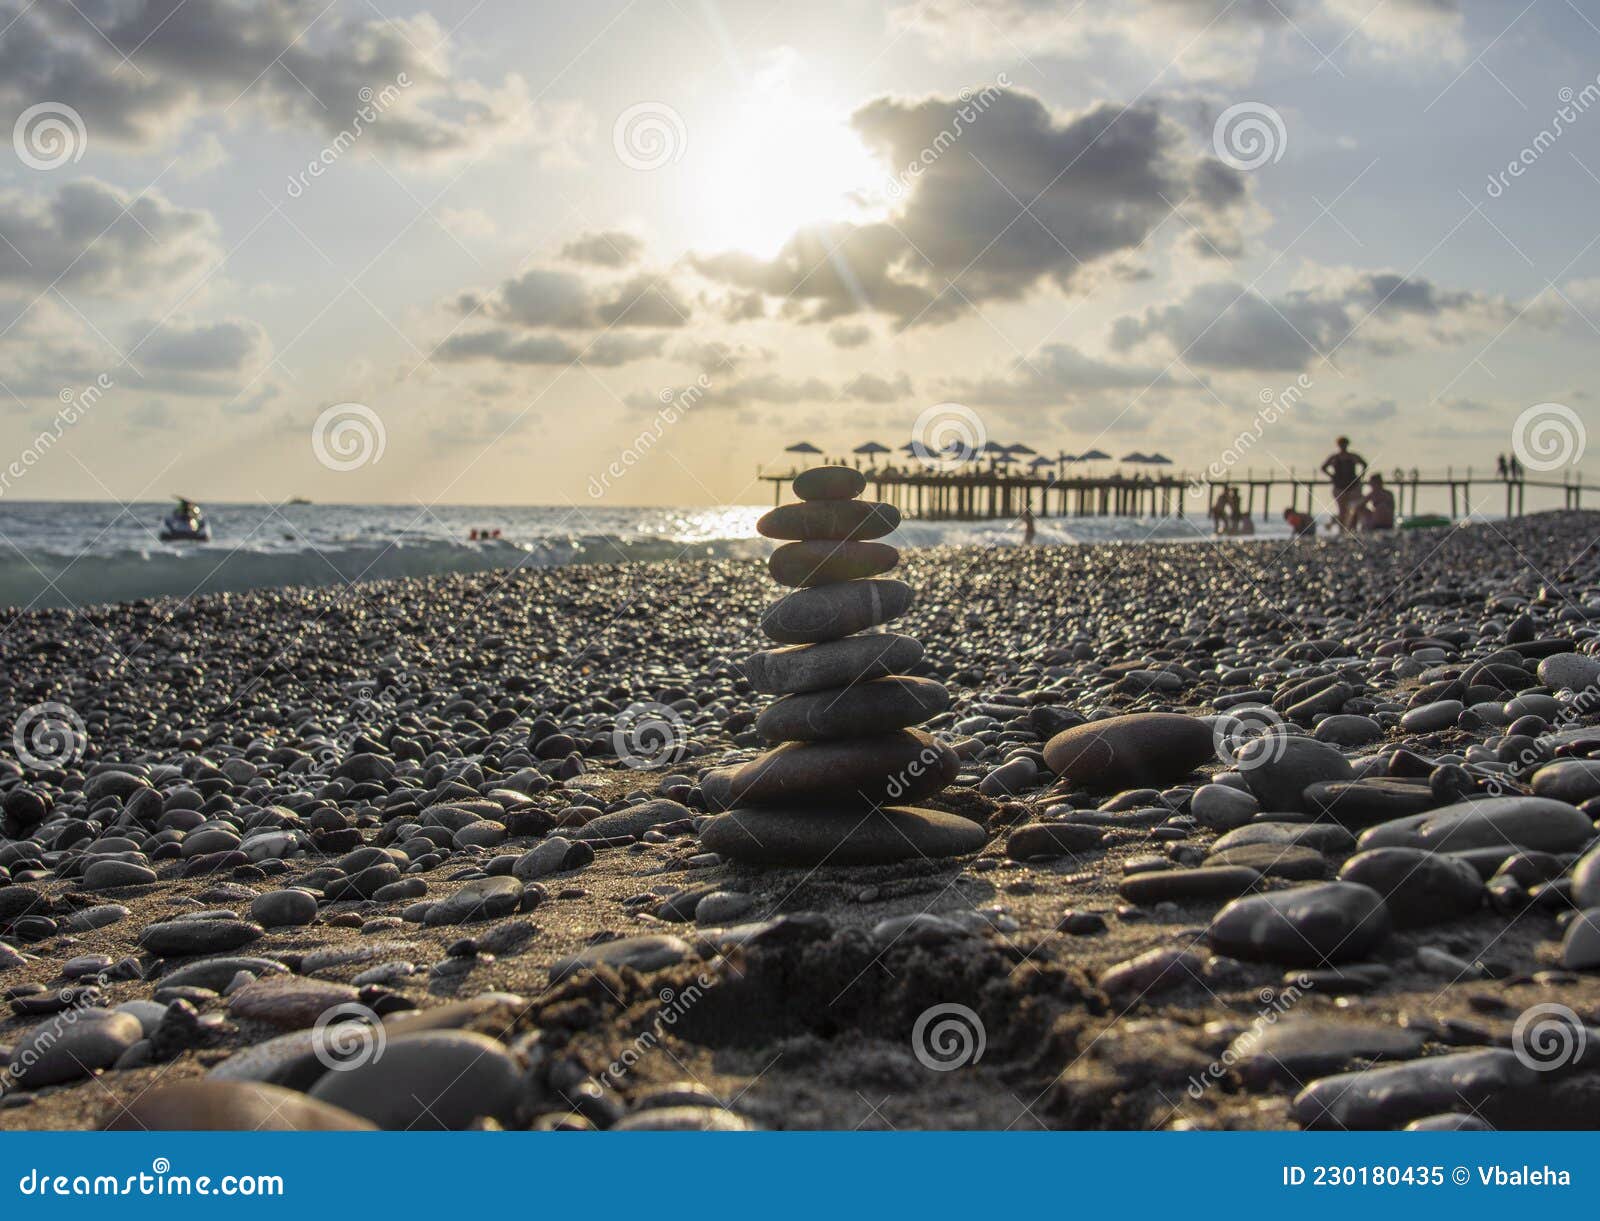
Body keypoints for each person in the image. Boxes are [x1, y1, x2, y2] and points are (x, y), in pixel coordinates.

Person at [1321, 436, 1368, 531]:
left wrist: (1360, 476)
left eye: (1344, 444)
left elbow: (1364, 464)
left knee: (1354, 508)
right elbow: (1323, 467)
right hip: (1339, 487)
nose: (1343, 446)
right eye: (1341, 444)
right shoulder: (1335, 458)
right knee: (1342, 510)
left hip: (1353, 486)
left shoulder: (1353, 457)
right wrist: (1332, 476)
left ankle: (1352, 529)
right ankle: (1342, 530)